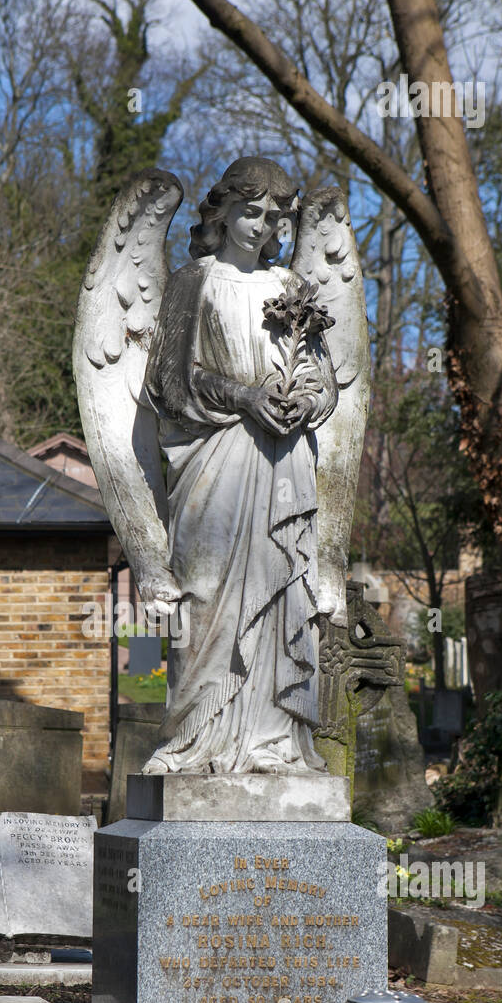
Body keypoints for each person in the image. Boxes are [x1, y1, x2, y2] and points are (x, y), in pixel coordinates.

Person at [141, 157, 338, 775]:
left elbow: (326, 382)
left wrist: (307, 398)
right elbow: (170, 382)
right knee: (206, 601)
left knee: (284, 595)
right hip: (216, 462)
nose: (261, 226)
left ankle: (274, 744)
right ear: (221, 212)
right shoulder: (190, 283)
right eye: (249, 211)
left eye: (274, 216)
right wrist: (246, 396)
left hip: (283, 465)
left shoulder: (293, 292)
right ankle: (194, 742)